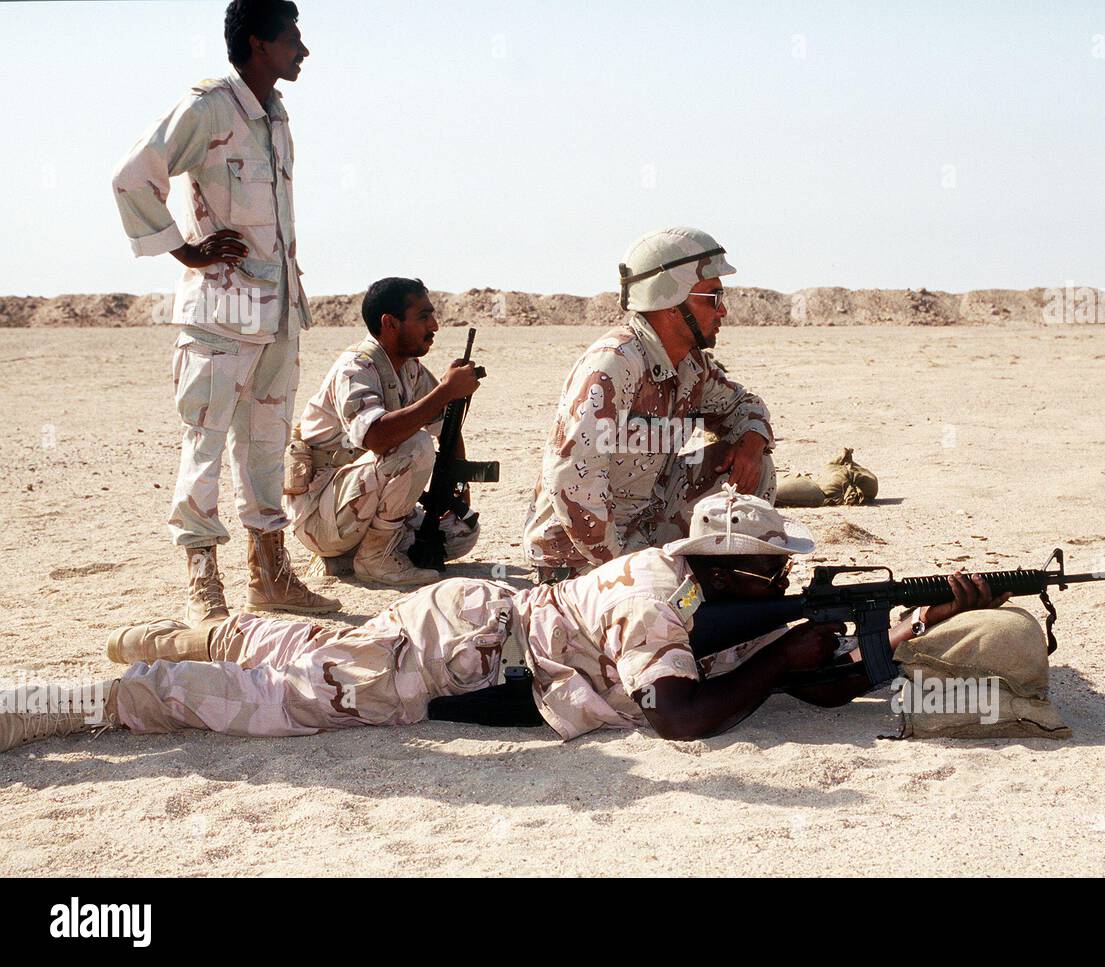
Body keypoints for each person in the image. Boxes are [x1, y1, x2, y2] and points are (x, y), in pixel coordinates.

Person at [0, 490, 1038, 751]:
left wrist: (881, 633)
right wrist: (782, 665)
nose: (779, 588)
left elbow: (791, 665)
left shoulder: (697, 589)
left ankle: (186, 633)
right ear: (728, 563)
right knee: (288, 700)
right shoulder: (652, 602)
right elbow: (679, 715)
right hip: (460, 650)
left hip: (474, 621)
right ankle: (81, 701)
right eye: (770, 574)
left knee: (313, 649)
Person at [110, 0, 338, 623]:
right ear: (259, 43)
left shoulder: (276, 116)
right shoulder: (209, 107)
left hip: (278, 313)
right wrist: (185, 249)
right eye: (293, 36)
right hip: (220, 313)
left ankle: (270, 577)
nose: (303, 49)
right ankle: (203, 583)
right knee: (205, 444)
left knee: (265, 446)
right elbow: (134, 176)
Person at [522, 226, 777, 581]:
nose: (724, 312)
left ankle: (721, 577)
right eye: (713, 298)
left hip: (644, 528)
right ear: (670, 304)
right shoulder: (614, 364)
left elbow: (745, 406)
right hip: (582, 558)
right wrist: (627, 571)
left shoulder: (690, 365)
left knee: (758, 466)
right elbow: (571, 482)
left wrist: (751, 445)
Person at [287, 278, 483, 586]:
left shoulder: (409, 368)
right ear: (390, 323)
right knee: (415, 445)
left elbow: (445, 426)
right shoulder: (356, 368)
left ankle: (357, 554)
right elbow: (376, 438)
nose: (434, 325)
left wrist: (454, 488)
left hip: (362, 499)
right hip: (323, 512)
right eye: (423, 316)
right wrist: (445, 391)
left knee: (461, 531)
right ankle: (375, 558)